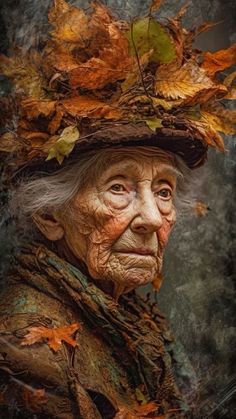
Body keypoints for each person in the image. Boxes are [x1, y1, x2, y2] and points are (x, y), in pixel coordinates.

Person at [0, 1, 235, 417]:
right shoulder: (27, 351)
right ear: (50, 216)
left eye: (164, 191)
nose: (150, 217)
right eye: (118, 187)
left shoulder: (126, 317)